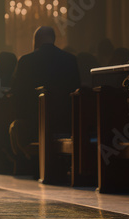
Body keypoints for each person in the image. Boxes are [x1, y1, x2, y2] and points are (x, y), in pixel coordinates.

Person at [8, 26, 80, 166]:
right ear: (53, 39)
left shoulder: (26, 61)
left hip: (34, 122)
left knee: (15, 128)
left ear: (36, 41)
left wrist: (21, 116)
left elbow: (17, 94)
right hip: (65, 121)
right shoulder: (70, 60)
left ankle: (28, 163)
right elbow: (76, 89)